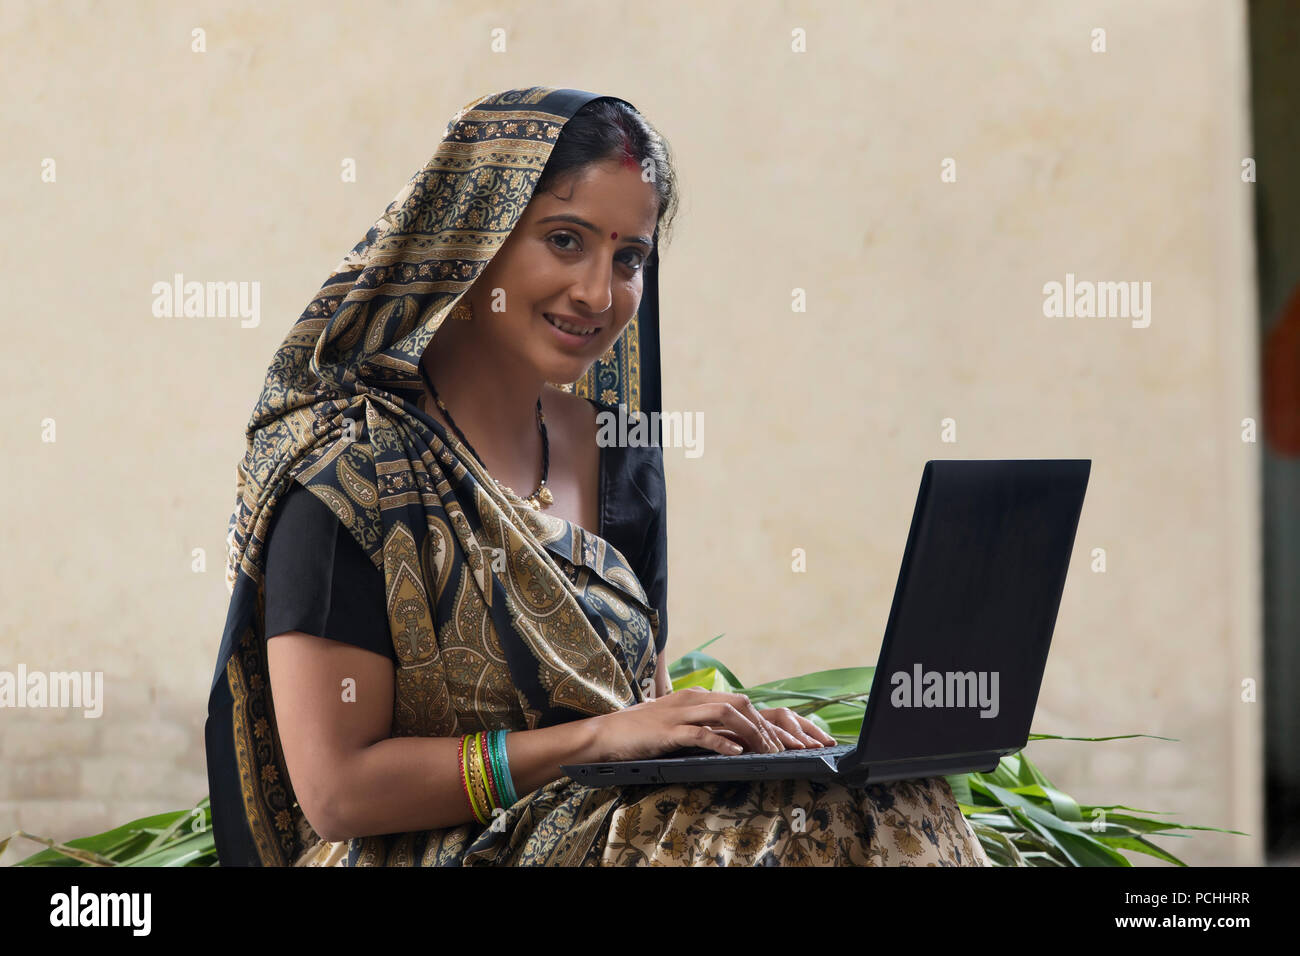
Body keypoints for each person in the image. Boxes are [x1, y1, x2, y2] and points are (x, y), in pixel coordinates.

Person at [204, 86, 991, 866]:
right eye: (566, 240)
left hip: (620, 831)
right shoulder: (353, 472)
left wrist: (740, 741)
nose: (596, 293)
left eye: (630, 258)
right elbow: (337, 791)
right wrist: (595, 741)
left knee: (893, 799)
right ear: (476, 238)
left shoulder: (618, 454)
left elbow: (640, 713)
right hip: (425, 852)